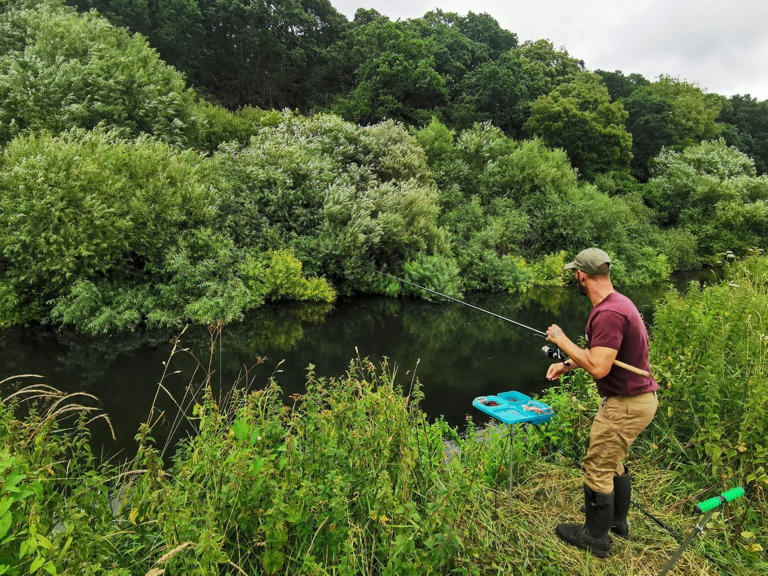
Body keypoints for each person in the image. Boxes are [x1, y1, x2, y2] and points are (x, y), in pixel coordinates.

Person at [544, 247, 659, 558]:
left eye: (575, 274)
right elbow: (601, 353)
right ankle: (617, 523)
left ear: (582, 275)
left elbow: (599, 367)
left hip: (626, 405)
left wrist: (561, 339)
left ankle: (594, 538)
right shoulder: (618, 302)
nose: (575, 278)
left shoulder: (608, 313)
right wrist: (566, 364)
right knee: (613, 462)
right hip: (637, 401)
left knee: (597, 467)